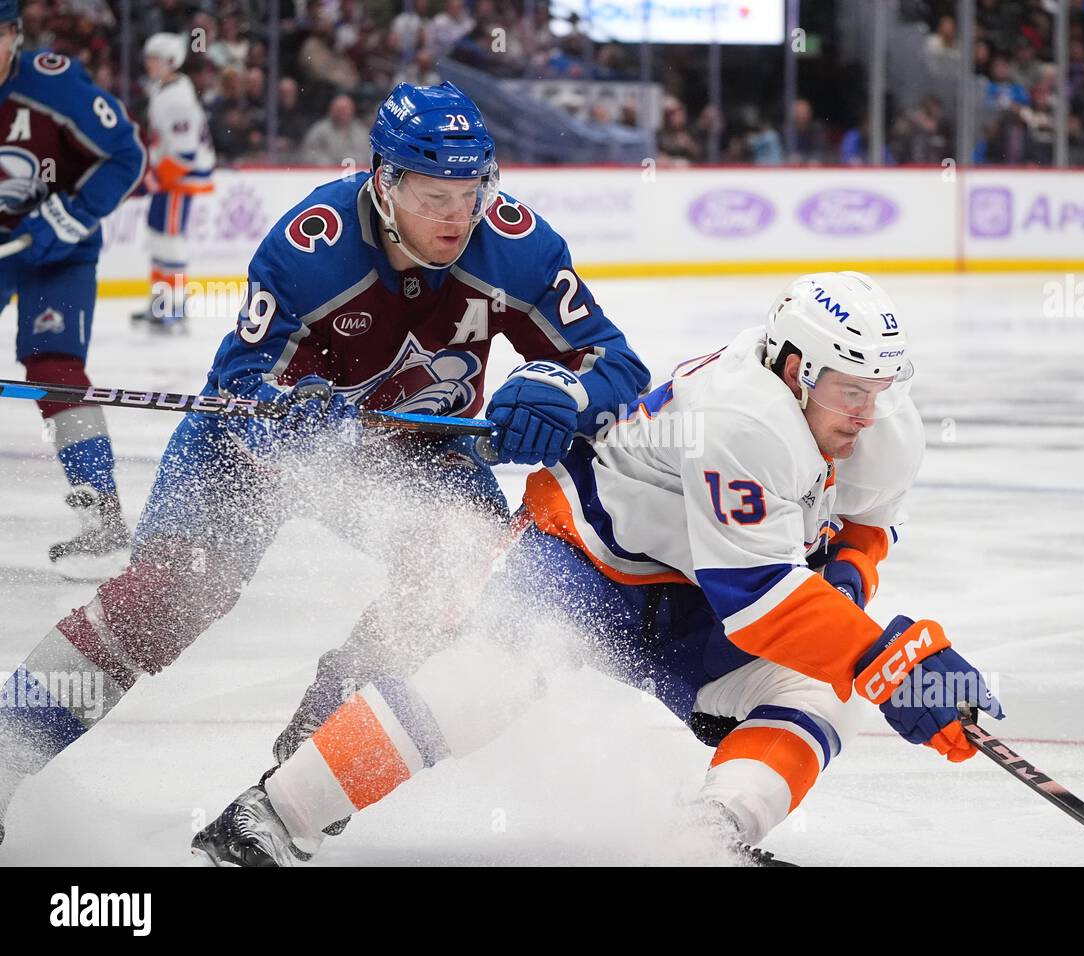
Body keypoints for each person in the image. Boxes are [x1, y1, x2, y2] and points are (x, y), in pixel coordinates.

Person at [0, 81, 650, 846]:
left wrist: (560, 392)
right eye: (436, 195)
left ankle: (290, 792)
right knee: (173, 591)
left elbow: (619, 365)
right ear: (384, 180)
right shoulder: (309, 247)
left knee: (457, 582)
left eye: (473, 191)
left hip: (418, 450)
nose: (458, 215)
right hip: (244, 448)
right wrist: (294, 416)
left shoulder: (517, 246)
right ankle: (7, 753)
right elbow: (244, 387)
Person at [190, 271, 1003, 866]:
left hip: (692, 596)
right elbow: (758, 603)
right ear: (793, 368)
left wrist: (853, 598)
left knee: (820, 694)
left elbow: (863, 528)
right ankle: (270, 816)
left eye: (879, 387)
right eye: (846, 389)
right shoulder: (744, 418)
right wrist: (886, 659)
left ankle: (704, 844)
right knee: (487, 683)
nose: (864, 410)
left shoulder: (878, 421)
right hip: (581, 557)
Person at [0, 0, 147, 575]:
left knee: (53, 367)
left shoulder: (54, 86)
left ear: (13, 35)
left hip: (56, 251)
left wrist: (70, 215)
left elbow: (125, 154)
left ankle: (103, 514)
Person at [130, 32, 215, 331]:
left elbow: (185, 153)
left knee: (170, 239)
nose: (149, 64)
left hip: (179, 175)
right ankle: (160, 303)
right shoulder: (166, 88)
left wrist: (152, 181)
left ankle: (175, 305)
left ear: (170, 61)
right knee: (158, 236)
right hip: (170, 171)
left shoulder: (177, 98)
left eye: (154, 59)